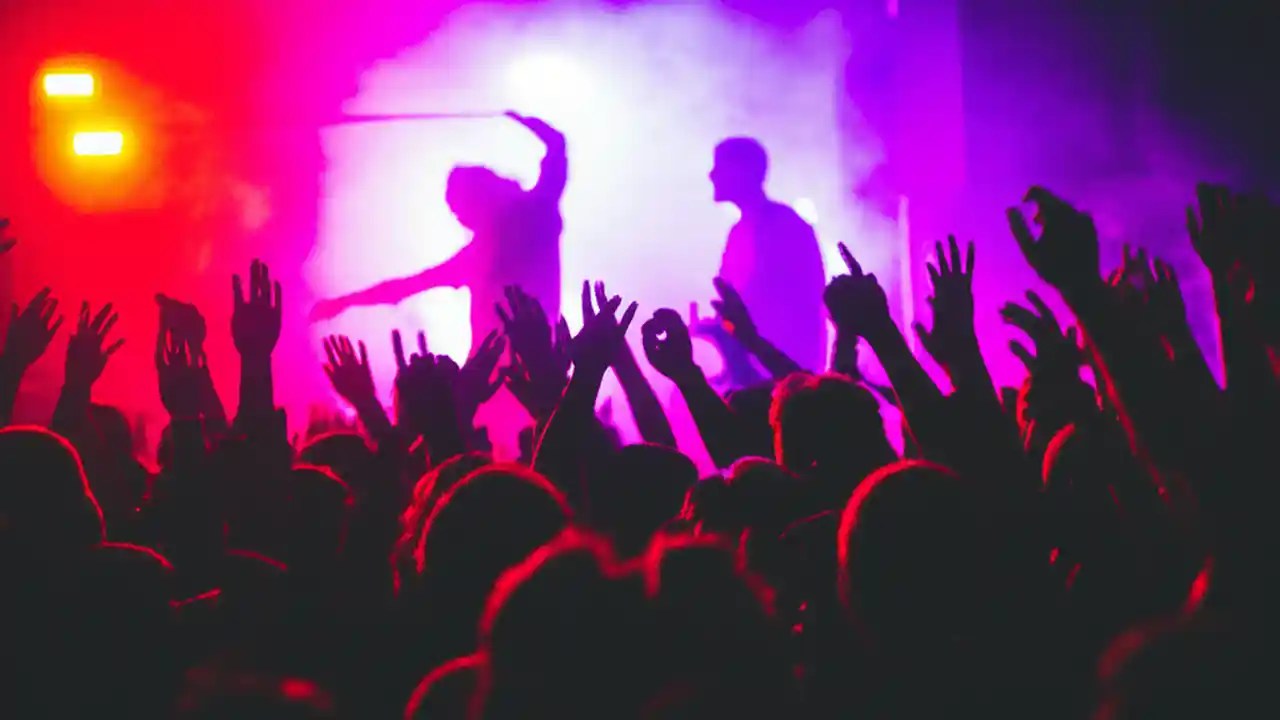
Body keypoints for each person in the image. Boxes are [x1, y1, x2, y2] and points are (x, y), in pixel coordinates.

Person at [309, 112, 566, 349]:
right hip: (532, 367)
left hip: (496, 374)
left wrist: (345, 302)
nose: (458, 216)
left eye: (459, 207)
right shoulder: (535, 214)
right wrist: (526, 121)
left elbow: (404, 287)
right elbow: (556, 145)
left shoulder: (505, 236)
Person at [708, 137, 827, 375]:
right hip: (755, 366)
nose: (711, 175)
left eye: (720, 166)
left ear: (744, 172)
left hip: (782, 367)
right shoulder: (739, 231)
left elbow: (802, 300)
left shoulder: (783, 225)